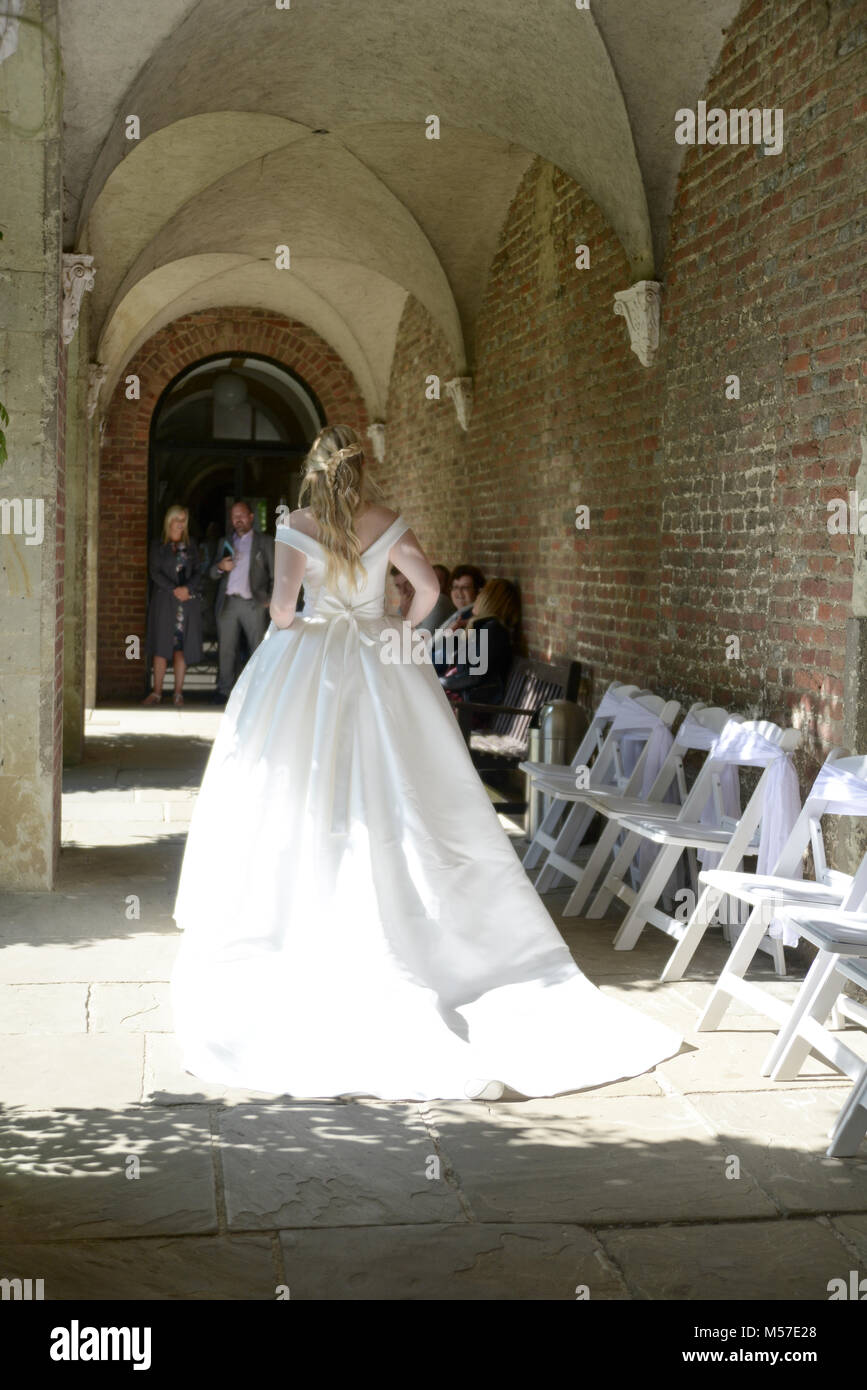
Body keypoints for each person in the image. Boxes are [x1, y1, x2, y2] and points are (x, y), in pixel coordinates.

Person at [170, 424, 680, 1101]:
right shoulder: (384, 520)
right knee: (408, 791)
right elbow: (429, 591)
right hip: (384, 663)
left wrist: (308, 627)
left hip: (313, 662)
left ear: (314, 472)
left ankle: (308, 915)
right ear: (360, 471)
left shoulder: (297, 522)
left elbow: (285, 609)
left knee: (298, 788)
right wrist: (394, 632)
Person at [210, 501, 274, 703]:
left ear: (251, 517)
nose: (238, 520)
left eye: (242, 515)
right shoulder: (225, 542)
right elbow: (211, 573)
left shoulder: (264, 542)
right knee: (226, 649)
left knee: (258, 648)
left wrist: (271, 600)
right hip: (229, 602)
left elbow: (276, 573)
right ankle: (224, 690)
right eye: (234, 516)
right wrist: (220, 567)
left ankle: (258, 692)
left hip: (253, 603)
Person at [144, 505, 203, 707]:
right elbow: (155, 572)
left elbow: (198, 571)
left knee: (181, 648)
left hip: (185, 604)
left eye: (184, 519)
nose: (181, 523)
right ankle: (157, 692)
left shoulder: (191, 545)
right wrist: (174, 589)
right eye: (177, 518)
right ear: (169, 520)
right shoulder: (158, 545)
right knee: (161, 648)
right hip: (165, 602)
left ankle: (178, 693)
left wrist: (187, 588)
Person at [441, 578, 520, 705]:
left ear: (489, 600)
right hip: (467, 702)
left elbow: (475, 675)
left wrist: (442, 683)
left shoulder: (492, 630)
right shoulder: (485, 627)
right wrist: (450, 636)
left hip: (473, 708)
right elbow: (457, 660)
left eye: (481, 595)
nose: (477, 598)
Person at [416, 562, 454, 634]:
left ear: (447, 585)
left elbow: (422, 637)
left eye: (438, 581)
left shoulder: (439, 600)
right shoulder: (426, 602)